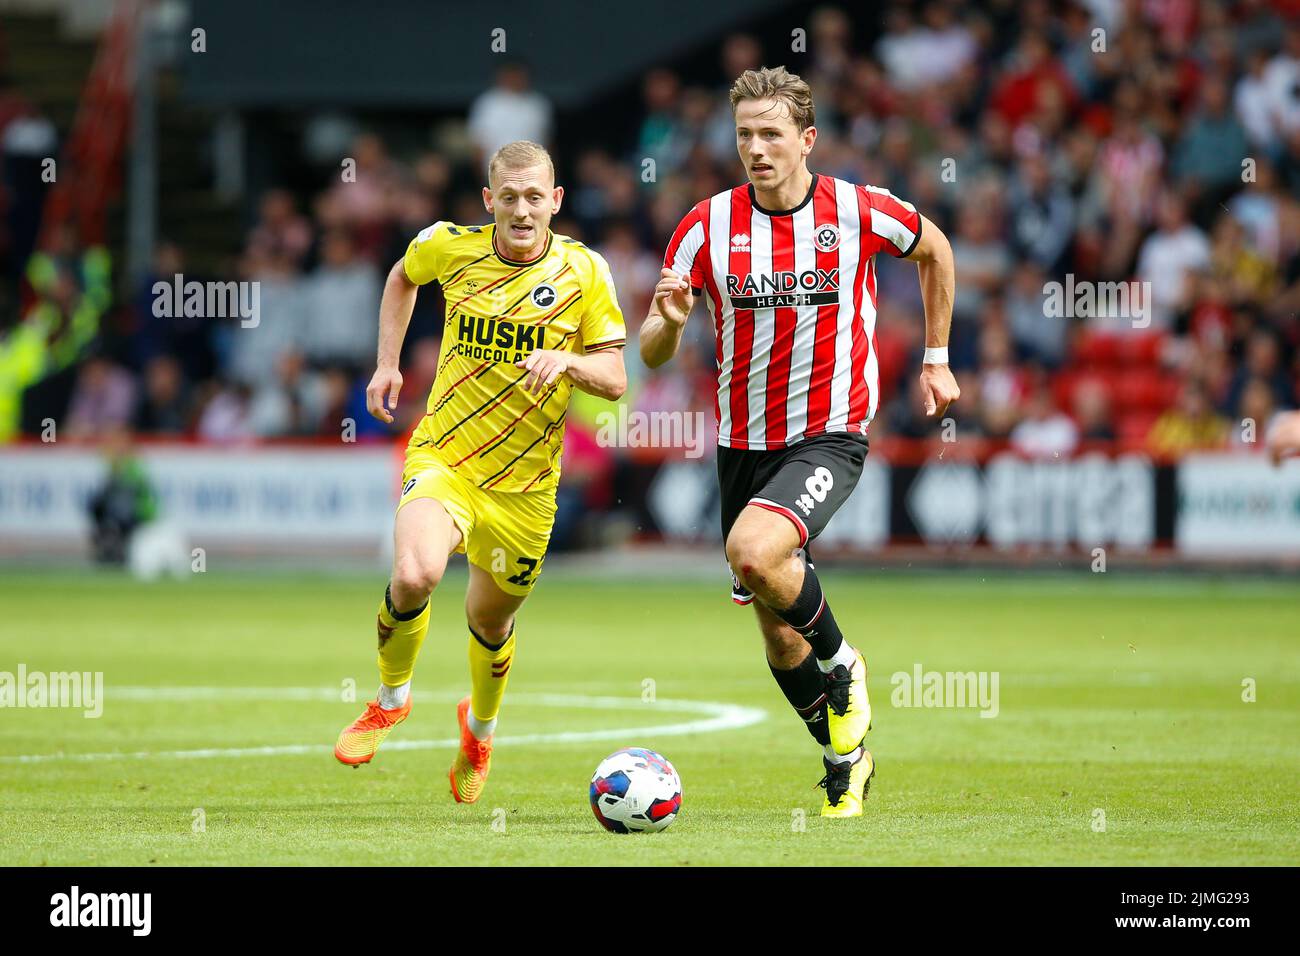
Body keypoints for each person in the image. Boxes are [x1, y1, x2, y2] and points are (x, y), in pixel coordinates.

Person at [639, 67, 959, 817]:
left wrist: (938, 356)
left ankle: (845, 663)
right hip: (742, 445)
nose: (755, 147)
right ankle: (845, 758)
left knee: (753, 551)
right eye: (745, 133)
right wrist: (672, 324)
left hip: (829, 434)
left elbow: (935, 249)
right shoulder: (703, 226)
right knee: (780, 640)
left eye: (771, 133)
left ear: (806, 140)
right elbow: (651, 350)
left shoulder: (855, 209)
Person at [334, 141, 627, 806]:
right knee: (414, 574)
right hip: (445, 457)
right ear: (490, 201)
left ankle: (479, 731)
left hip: (525, 490)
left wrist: (570, 363)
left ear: (555, 201)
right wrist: (387, 362)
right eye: (510, 197)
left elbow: (614, 376)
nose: (523, 210)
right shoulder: (449, 246)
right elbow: (402, 277)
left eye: (536, 197)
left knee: (491, 624)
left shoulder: (586, 272)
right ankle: (390, 699)